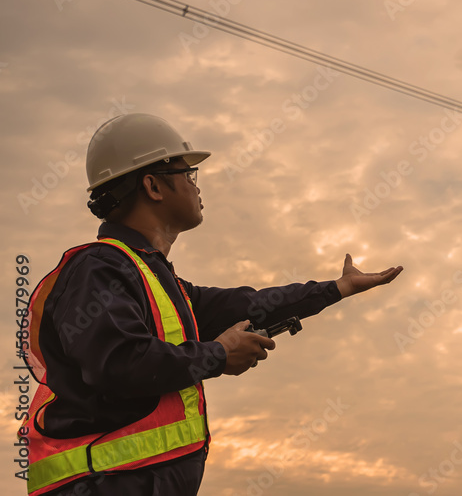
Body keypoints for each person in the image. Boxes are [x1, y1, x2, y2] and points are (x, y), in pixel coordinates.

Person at [20, 113, 403, 495]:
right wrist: (218, 355)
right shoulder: (98, 269)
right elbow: (122, 364)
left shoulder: (153, 278)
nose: (196, 186)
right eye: (187, 174)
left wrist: (337, 288)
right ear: (153, 186)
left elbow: (248, 304)